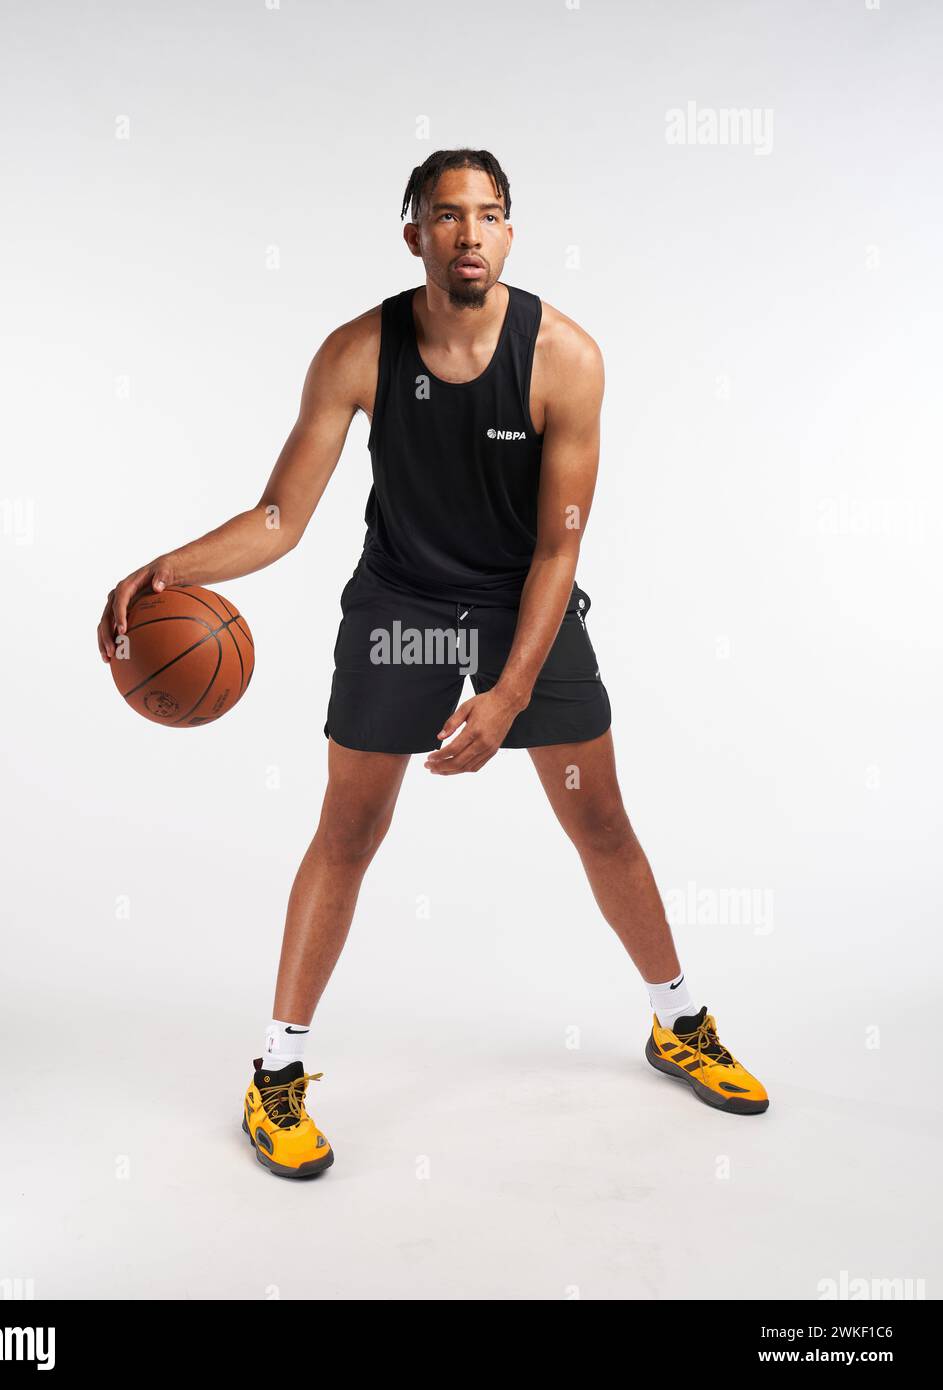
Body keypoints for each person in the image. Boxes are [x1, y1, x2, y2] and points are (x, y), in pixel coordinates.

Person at [96, 148, 769, 1181]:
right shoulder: (357, 352)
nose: (469, 232)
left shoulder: (566, 359)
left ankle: (676, 1019)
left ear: (510, 232)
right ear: (412, 234)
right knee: (350, 827)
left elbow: (558, 548)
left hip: (518, 609)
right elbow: (281, 518)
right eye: (446, 215)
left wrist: (506, 695)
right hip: (402, 605)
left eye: (489, 214)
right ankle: (275, 1070)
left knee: (598, 816)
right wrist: (163, 569)